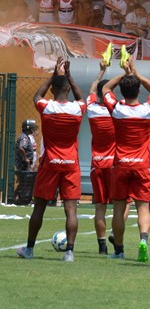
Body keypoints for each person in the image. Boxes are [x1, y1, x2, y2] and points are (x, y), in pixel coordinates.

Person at [17, 58, 85, 262]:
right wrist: (69, 76)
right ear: (68, 88)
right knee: (70, 209)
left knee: (39, 207)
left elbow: (37, 95)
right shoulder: (76, 109)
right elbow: (83, 98)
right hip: (71, 163)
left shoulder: (46, 107)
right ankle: (69, 253)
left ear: (53, 90)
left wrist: (53, 74)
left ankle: (29, 249)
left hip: (51, 163)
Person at [102, 58, 150, 262]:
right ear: (137, 91)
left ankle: (119, 250)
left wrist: (123, 74)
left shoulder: (117, 109)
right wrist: (135, 73)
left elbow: (106, 88)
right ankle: (143, 240)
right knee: (143, 207)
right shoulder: (147, 110)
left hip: (121, 165)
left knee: (118, 209)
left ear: (124, 92)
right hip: (142, 165)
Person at [86, 63, 116, 254]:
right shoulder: (118, 111)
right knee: (124, 202)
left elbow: (91, 89)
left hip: (97, 164)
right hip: (115, 164)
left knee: (100, 207)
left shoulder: (92, 109)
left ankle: (102, 246)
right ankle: (115, 232)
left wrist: (101, 71)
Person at [14, 119, 39, 206]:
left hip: (25, 164)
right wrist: (26, 158)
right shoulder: (24, 137)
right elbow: (21, 148)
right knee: (24, 181)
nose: (33, 130)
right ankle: (21, 199)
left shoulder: (27, 136)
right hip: (23, 164)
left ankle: (20, 197)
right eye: (32, 128)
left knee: (24, 181)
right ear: (28, 128)